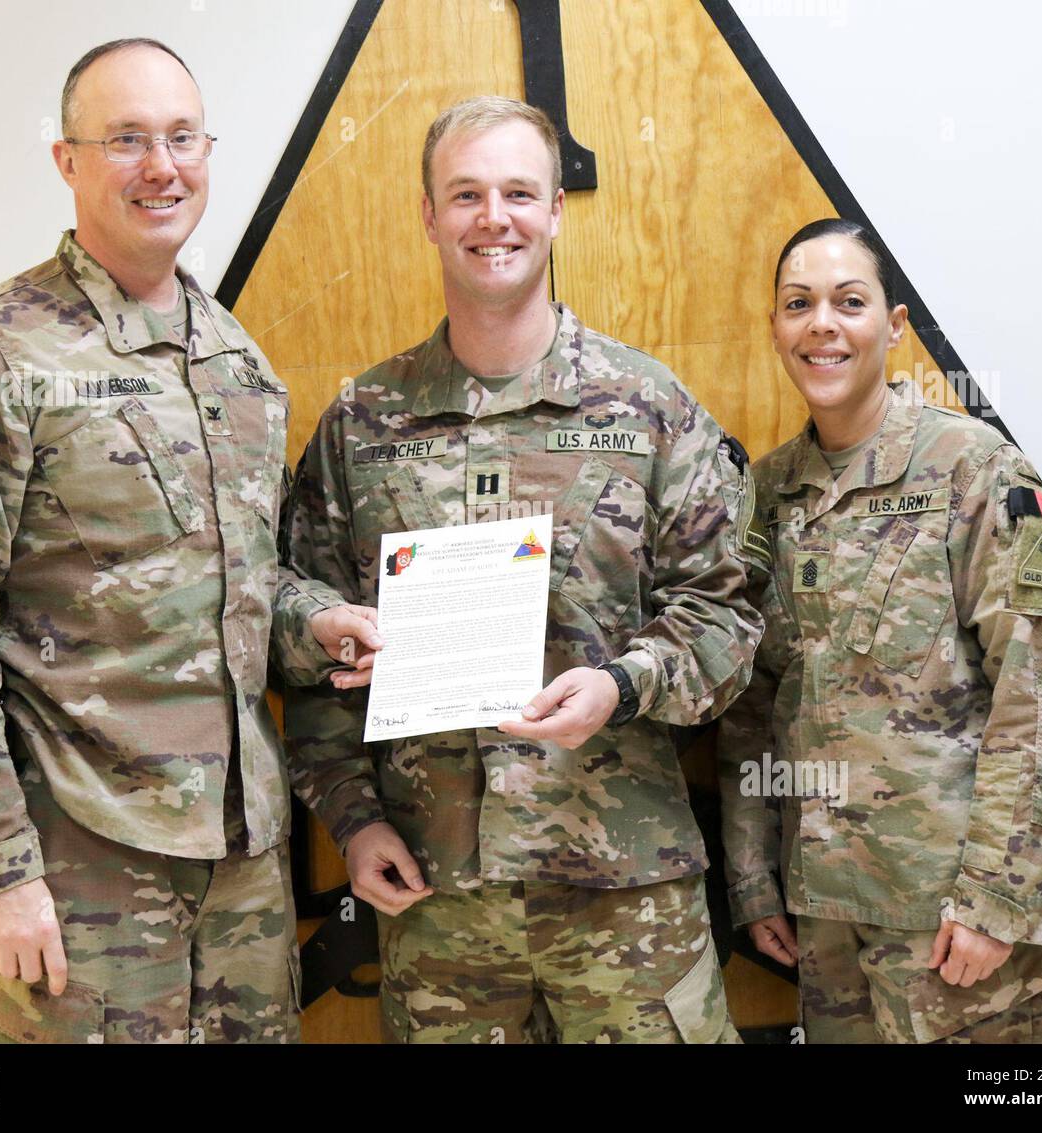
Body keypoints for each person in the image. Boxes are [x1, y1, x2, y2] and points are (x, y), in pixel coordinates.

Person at [0, 37, 381, 1044]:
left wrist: (316, 621)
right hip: (77, 865)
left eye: (183, 137)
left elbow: (244, 585)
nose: (162, 166)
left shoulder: (234, 360)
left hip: (240, 865)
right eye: (128, 139)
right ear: (68, 160)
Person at [283, 96, 767, 1044]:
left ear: (554, 211)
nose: (491, 217)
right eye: (465, 194)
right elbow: (303, 633)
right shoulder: (363, 421)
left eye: (517, 192)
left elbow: (725, 619)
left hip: (627, 894)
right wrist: (352, 820)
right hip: (437, 901)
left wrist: (623, 685)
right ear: (429, 216)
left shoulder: (648, 406)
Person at [717, 218, 1042, 1043]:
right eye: (798, 303)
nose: (822, 324)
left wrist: (999, 898)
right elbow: (751, 707)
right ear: (776, 327)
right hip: (827, 925)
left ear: (893, 325)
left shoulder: (976, 468)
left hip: (958, 932)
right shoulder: (770, 495)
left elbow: (1039, 704)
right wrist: (752, 882)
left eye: (850, 301)